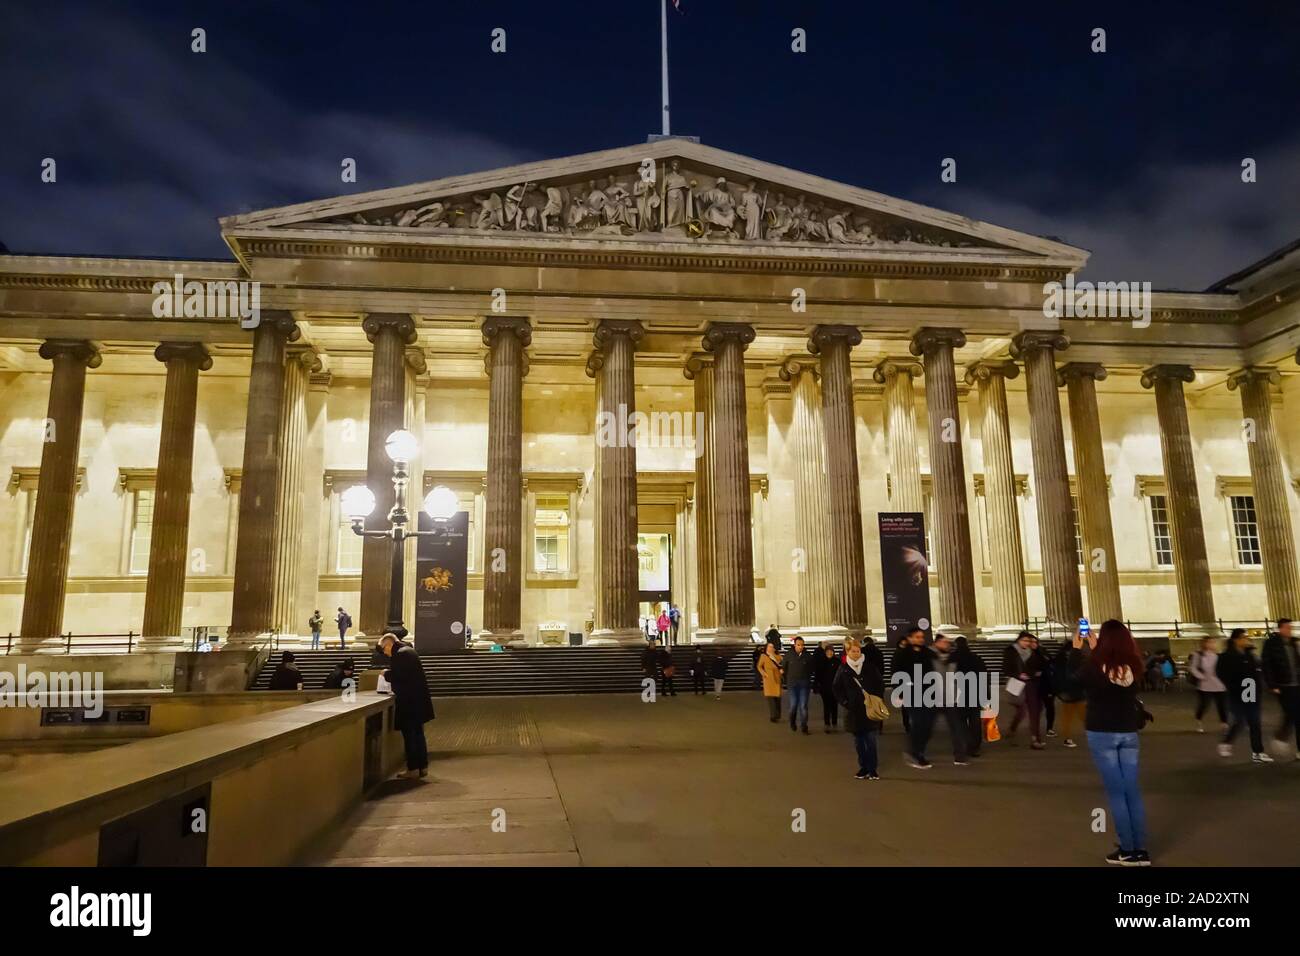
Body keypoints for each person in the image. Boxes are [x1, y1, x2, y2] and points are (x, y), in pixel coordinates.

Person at [1069, 620, 1151, 865]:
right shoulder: (1134, 666)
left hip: (1102, 732)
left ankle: (1127, 849)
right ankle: (1139, 850)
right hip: (1128, 732)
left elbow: (1071, 682)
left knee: (1116, 793)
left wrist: (1077, 650)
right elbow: (1115, 675)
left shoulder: (1094, 666)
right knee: (1132, 791)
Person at [379, 632, 434, 779]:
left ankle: (413, 768)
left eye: (384, 649)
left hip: (409, 703)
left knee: (410, 736)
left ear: (389, 644)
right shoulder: (409, 650)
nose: (385, 653)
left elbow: (399, 676)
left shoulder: (400, 654)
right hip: (418, 701)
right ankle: (423, 767)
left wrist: (386, 674)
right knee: (418, 735)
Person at [833, 637, 886, 780]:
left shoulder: (869, 666)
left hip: (869, 710)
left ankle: (873, 769)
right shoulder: (843, 669)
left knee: (871, 740)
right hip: (853, 711)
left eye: (858, 651)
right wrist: (845, 702)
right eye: (853, 651)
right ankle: (863, 767)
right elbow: (837, 688)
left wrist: (877, 699)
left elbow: (879, 684)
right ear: (847, 652)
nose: (856, 654)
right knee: (859, 742)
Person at [1217, 628, 1272, 763]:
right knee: (1239, 720)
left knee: (1255, 723)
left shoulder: (1249, 654)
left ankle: (1258, 752)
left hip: (1251, 691)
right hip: (1237, 693)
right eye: (1243, 637)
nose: (1246, 639)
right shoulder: (1226, 656)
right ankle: (1226, 742)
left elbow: (1257, 671)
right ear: (1236, 639)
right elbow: (1222, 673)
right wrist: (1233, 686)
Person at [927, 633, 970, 766]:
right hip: (932, 697)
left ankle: (960, 756)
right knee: (926, 727)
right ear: (937, 643)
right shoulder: (928, 657)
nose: (948, 645)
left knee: (956, 727)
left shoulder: (954, 657)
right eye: (945, 642)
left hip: (951, 697)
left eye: (948, 643)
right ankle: (917, 753)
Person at [1260, 618, 1300, 759]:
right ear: (1280, 628)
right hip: (1283, 685)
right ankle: (1280, 737)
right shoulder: (1271, 644)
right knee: (1291, 713)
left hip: (1296, 684)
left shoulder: (1293, 643)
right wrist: (1272, 685)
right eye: (1288, 628)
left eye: (1291, 628)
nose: (1290, 630)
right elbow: (1267, 665)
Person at [1001, 631, 1047, 749]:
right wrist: (1018, 674)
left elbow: (1043, 664)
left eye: (1029, 641)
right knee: (1021, 710)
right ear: (1018, 640)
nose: (1027, 643)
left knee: (1034, 711)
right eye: (1025, 641)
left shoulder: (1034, 652)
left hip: (1031, 684)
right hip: (1017, 684)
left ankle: (1035, 738)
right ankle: (1013, 728)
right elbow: (1006, 668)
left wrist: (1037, 650)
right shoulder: (1011, 651)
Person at [953, 636, 986, 757]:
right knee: (975, 723)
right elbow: (983, 677)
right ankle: (975, 746)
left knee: (961, 722)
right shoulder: (976, 658)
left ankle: (967, 743)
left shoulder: (953, 660)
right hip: (974, 694)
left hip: (959, 695)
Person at [1188, 636, 1227, 733]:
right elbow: (1193, 668)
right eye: (1209, 642)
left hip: (1219, 683)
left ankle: (1224, 724)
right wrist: (1201, 676)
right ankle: (1199, 722)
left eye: (1213, 642)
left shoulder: (1218, 655)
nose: (1211, 644)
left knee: (1222, 705)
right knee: (1204, 705)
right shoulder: (1198, 655)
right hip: (1205, 684)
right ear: (1204, 643)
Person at [1053, 640, 1086, 748]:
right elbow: (1061, 676)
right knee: (1070, 716)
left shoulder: (1068, 658)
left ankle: (1068, 738)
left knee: (1078, 715)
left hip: (1075, 691)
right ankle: (1067, 738)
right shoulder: (1066, 659)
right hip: (1071, 690)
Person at [783, 636, 815, 735]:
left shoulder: (808, 656)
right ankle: (792, 722)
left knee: (803, 706)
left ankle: (804, 726)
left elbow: (811, 669)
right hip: (792, 684)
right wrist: (787, 680)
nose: (800, 647)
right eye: (798, 645)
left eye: (802, 645)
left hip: (804, 684)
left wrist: (806, 677)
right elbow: (784, 668)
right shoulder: (789, 655)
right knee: (793, 705)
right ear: (794, 645)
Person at [813, 642, 841, 733]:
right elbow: (817, 675)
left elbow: (840, 675)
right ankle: (827, 724)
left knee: (834, 706)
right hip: (824, 688)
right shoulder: (822, 661)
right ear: (825, 652)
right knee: (827, 706)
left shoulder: (837, 662)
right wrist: (816, 685)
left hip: (835, 688)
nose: (830, 653)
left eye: (831, 651)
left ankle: (834, 722)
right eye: (828, 651)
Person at [1032, 635, 1056, 737]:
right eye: (1030, 642)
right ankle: (1035, 731)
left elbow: (1050, 664)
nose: (1032, 644)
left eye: (1034, 642)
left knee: (1050, 707)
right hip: (1034, 685)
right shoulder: (1027, 654)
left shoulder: (1043, 652)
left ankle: (1049, 728)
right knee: (1035, 709)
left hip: (1046, 684)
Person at [757, 642, 784, 722]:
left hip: (777, 678)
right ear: (766, 648)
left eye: (772, 647)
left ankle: (778, 715)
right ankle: (773, 716)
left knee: (777, 698)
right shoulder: (763, 656)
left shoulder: (777, 656)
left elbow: (782, 663)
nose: (771, 648)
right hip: (768, 679)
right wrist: (763, 673)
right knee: (770, 699)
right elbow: (759, 666)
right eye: (769, 647)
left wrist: (781, 669)